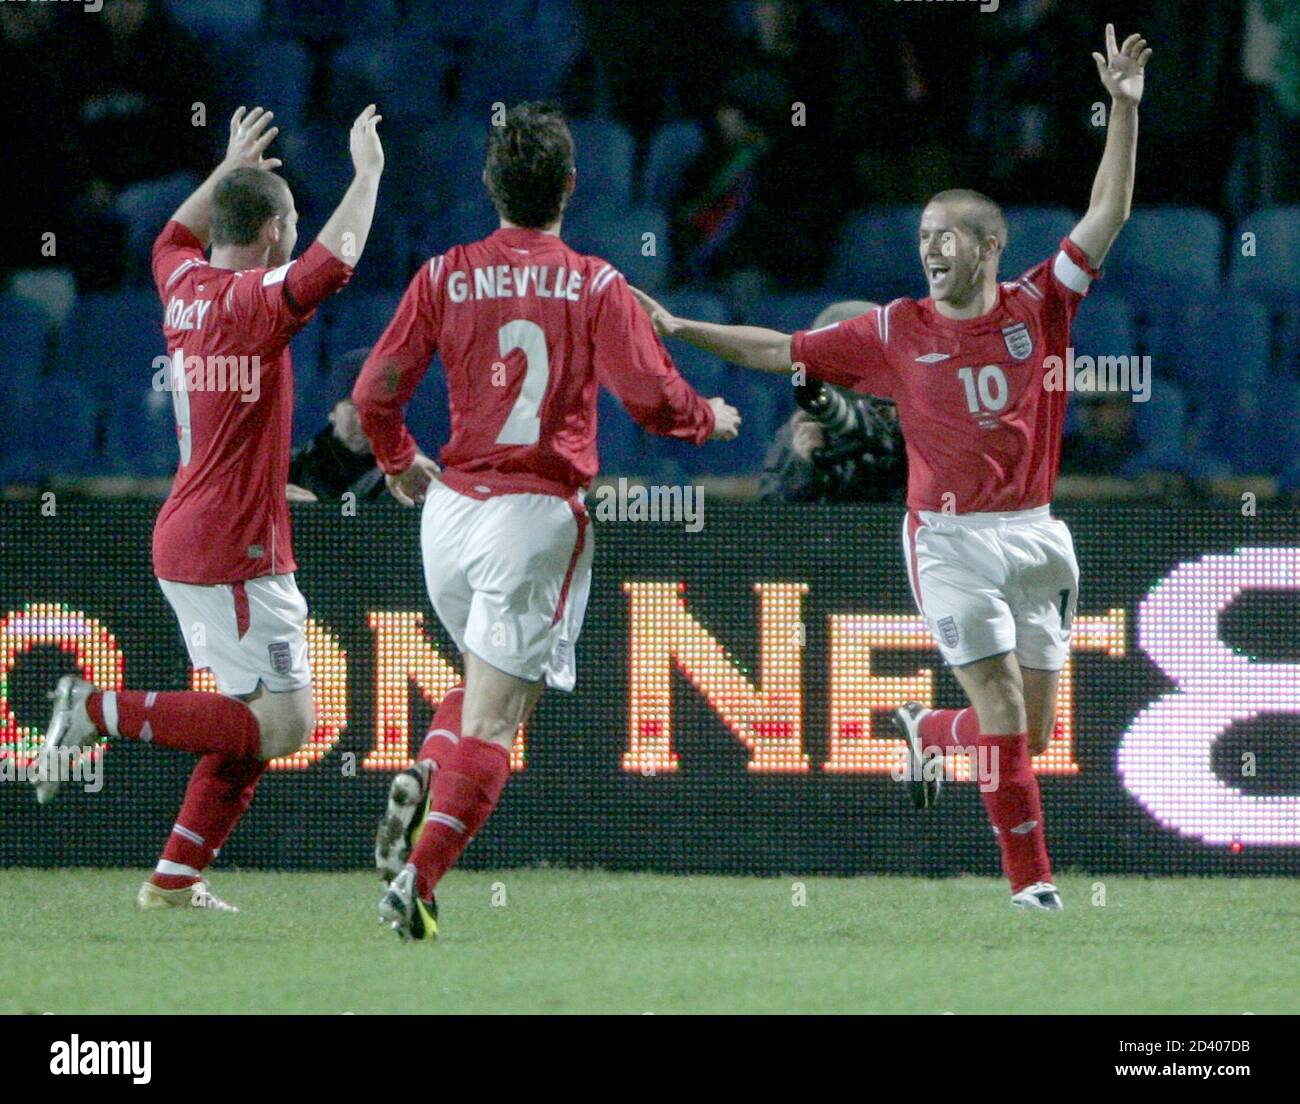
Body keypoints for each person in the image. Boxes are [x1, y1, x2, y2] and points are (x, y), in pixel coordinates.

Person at [632, 26, 1151, 911]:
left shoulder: (1041, 301)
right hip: (946, 538)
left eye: (944, 235)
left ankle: (925, 729)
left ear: (988, 246)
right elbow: (781, 348)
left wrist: (1126, 110)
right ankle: (1033, 892)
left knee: (1030, 726)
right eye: (921, 236)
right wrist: (684, 329)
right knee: (1000, 711)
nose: (927, 248)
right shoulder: (894, 329)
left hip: (1033, 531)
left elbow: (1108, 212)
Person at [352, 101, 740, 942]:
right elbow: (648, 396)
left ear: (490, 184)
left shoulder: (445, 273)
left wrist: (394, 460)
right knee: (500, 720)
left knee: (477, 690)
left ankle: (427, 768)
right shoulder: (596, 282)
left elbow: (374, 391)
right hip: (532, 515)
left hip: (449, 515)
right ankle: (417, 883)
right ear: (570, 183)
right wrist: (707, 416)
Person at [32, 104, 386, 913]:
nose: (300, 231)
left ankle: (176, 877)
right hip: (231, 545)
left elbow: (168, 238)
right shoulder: (248, 303)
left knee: (251, 721)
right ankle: (93, 709)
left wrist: (228, 166)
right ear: (271, 230)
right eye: (293, 219)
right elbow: (336, 265)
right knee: (285, 725)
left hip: (205, 531)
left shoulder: (184, 285)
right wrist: (366, 172)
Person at [760, 300, 905, 504]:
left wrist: (898, 442)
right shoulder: (805, 429)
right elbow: (772, 521)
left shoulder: (922, 423)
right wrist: (803, 465)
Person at [287, 347, 385, 503]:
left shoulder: (415, 477)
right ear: (332, 412)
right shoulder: (291, 471)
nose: (363, 421)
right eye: (354, 408)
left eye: (376, 408)